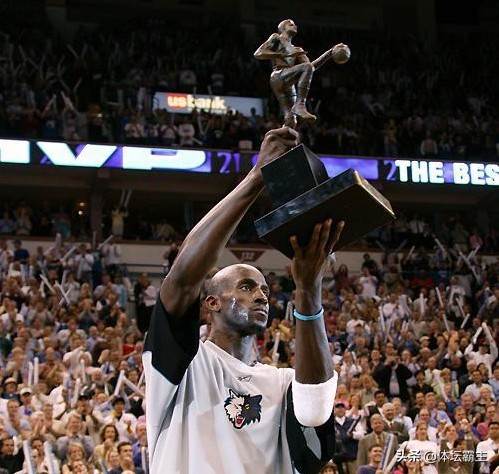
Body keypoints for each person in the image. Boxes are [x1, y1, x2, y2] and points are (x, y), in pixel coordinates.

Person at [143, 127, 341, 473]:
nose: (261, 296)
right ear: (211, 303)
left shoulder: (283, 382)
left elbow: (315, 416)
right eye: (247, 287)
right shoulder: (182, 363)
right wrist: (256, 177)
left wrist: (309, 291)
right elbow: (182, 279)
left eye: (264, 290)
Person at [254, 19, 349, 127]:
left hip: (289, 81)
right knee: (305, 67)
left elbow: (311, 68)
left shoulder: (297, 49)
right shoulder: (276, 38)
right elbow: (258, 53)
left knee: (291, 119)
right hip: (278, 75)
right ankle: (300, 104)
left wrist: (329, 53)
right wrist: (284, 54)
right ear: (282, 28)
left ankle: (283, 135)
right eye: (291, 24)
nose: (295, 26)